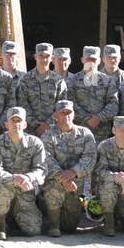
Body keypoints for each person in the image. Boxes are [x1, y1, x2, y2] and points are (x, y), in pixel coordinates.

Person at [0, 106, 47, 241]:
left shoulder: (35, 143)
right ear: (6, 124)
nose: (16, 124)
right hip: (4, 188)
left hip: (25, 189)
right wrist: (13, 178)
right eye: (12, 121)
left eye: (19, 121)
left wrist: (27, 177)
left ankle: (15, 220)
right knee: (1, 187)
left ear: (25, 124)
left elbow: (41, 170)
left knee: (34, 230)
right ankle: (0, 226)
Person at [40, 99, 97, 238]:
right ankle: (53, 224)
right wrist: (62, 177)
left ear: (74, 114)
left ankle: (58, 216)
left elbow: (90, 158)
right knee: (53, 189)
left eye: (69, 112)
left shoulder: (85, 134)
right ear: (56, 116)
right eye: (62, 112)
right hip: (55, 180)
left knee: (70, 227)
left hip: (76, 183)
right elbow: (46, 159)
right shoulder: (48, 135)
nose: (66, 116)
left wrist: (73, 172)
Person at [67, 45, 119, 140]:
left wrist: (98, 118)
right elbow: (70, 103)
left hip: (103, 134)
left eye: (94, 60)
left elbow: (114, 104)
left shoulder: (108, 81)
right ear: (82, 60)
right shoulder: (72, 81)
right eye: (88, 59)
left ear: (99, 61)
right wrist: (87, 118)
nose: (91, 63)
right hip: (79, 133)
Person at [16, 42, 67, 138]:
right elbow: (22, 104)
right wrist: (36, 125)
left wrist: (47, 125)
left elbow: (62, 106)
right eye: (41, 56)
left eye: (47, 56)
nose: (44, 59)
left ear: (51, 59)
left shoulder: (59, 81)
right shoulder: (25, 80)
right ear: (35, 57)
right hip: (30, 131)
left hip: (53, 131)